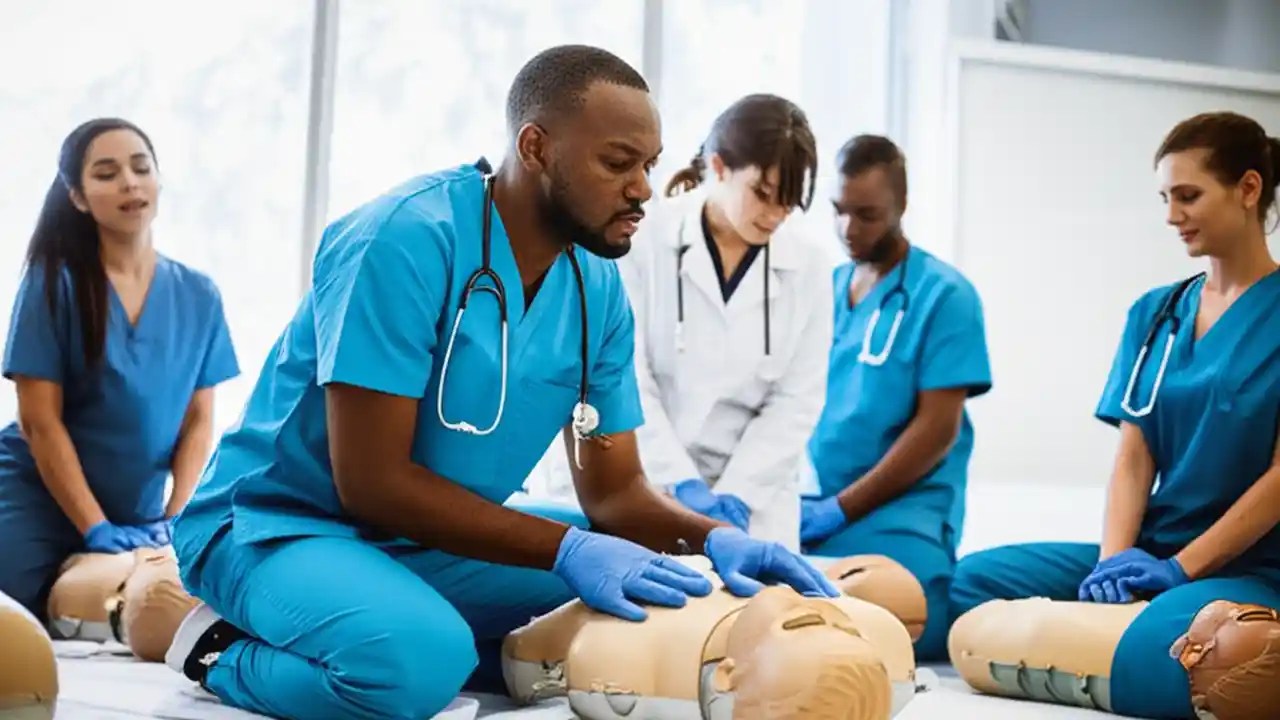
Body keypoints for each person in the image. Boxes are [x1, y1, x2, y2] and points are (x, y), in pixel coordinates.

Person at [162, 45, 836, 720]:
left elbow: (616, 492)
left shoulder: (594, 285)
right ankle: (220, 648)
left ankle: (408, 623)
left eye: (649, 165)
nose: (642, 189)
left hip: (419, 539)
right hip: (279, 525)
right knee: (418, 664)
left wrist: (710, 537)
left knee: (660, 586)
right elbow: (370, 483)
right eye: (617, 163)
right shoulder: (402, 240)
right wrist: (568, 549)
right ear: (536, 146)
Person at [948, 111, 1280, 719]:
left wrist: (1181, 568)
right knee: (966, 581)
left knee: (1193, 650)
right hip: (1148, 551)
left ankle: (1070, 647)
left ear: (1249, 189)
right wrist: (1109, 568)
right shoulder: (1155, 314)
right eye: (1164, 198)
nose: (1171, 216)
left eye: (1188, 196)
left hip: (1247, 567)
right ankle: (1101, 640)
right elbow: (1133, 457)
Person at [523, 94, 834, 549]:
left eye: (787, 204)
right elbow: (625, 376)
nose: (774, 215)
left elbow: (797, 399)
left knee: (759, 610)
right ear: (720, 167)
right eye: (763, 195)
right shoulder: (640, 240)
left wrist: (735, 496)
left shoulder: (808, 266)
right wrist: (680, 486)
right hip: (641, 475)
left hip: (752, 498)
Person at [0, 118, 240, 619]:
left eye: (140, 167)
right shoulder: (52, 284)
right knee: (24, 616)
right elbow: (39, 422)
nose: (130, 182)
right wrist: (94, 529)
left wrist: (178, 515)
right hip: (32, 497)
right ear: (79, 197)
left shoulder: (198, 295)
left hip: (136, 511)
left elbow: (197, 423)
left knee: (168, 599)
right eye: (106, 173)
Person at [800, 134, 993, 662]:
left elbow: (936, 431)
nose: (847, 229)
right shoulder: (825, 287)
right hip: (810, 510)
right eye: (838, 211)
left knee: (880, 615)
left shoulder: (945, 295)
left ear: (901, 206)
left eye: (867, 214)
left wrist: (841, 509)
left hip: (902, 515)